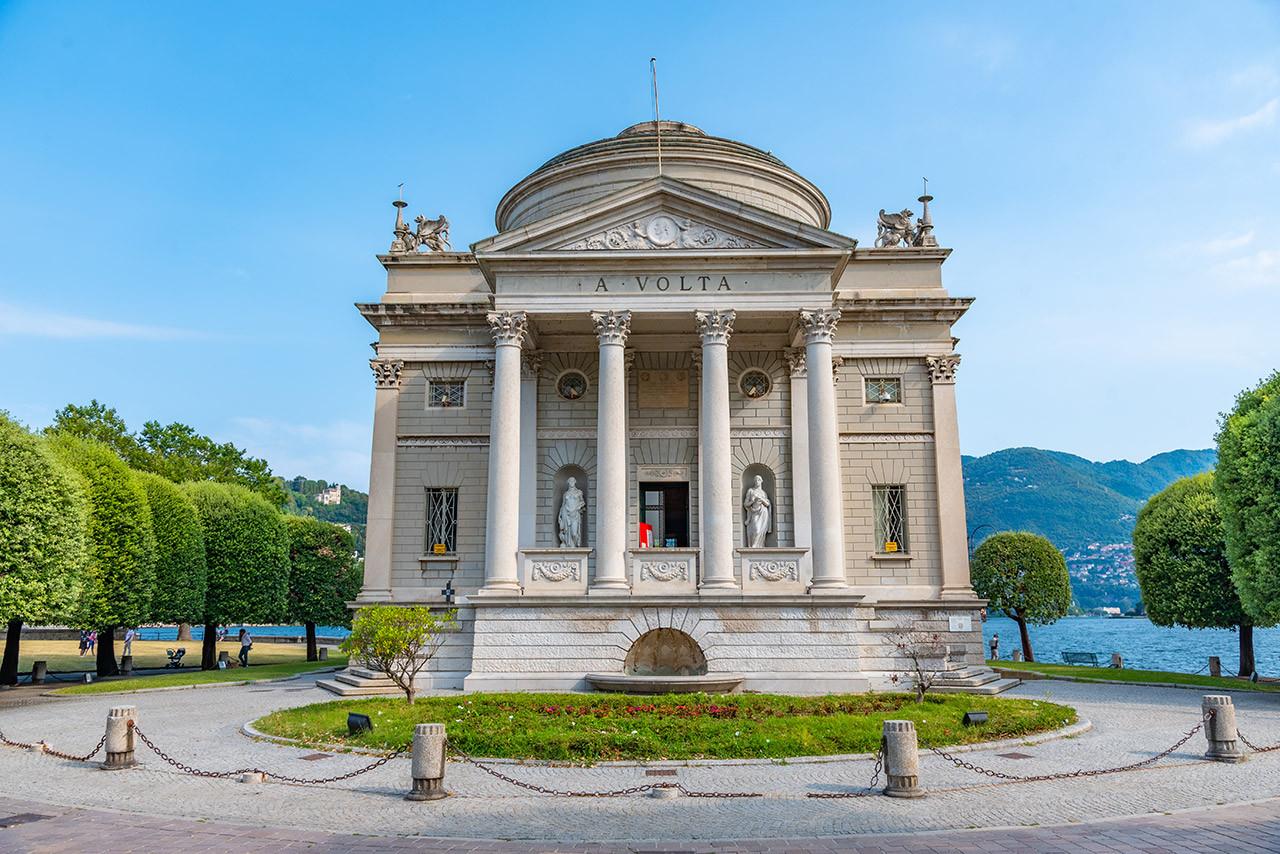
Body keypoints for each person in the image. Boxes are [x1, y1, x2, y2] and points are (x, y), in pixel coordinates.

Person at [743, 475, 772, 548]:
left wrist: (761, 499)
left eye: (758, 480)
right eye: (755, 480)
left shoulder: (764, 493)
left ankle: (759, 546)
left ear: (761, 481)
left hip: (763, 513)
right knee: (756, 530)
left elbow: (767, 504)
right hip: (754, 513)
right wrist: (752, 501)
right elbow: (746, 504)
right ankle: (754, 546)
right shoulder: (750, 491)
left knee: (762, 531)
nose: (757, 481)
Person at [557, 477, 585, 548]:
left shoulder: (579, 492)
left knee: (574, 533)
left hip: (575, 513)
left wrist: (579, 507)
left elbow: (582, 502)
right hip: (566, 513)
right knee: (566, 531)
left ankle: (575, 546)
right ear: (568, 482)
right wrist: (560, 515)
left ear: (575, 482)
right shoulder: (566, 494)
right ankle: (568, 546)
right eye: (570, 481)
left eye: (572, 481)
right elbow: (563, 505)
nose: (571, 482)